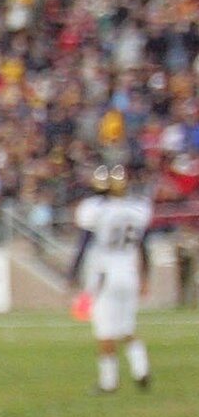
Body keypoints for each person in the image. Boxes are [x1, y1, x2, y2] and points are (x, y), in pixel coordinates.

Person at [71, 162, 154, 393]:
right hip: (130, 273)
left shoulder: (97, 210)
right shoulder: (137, 209)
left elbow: (83, 243)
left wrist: (72, 272)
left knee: (105, 331)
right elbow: (144, 248)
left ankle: (108, 382)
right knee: (127, 328)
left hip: (107, 275)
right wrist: (145, 277)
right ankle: (141, 369)